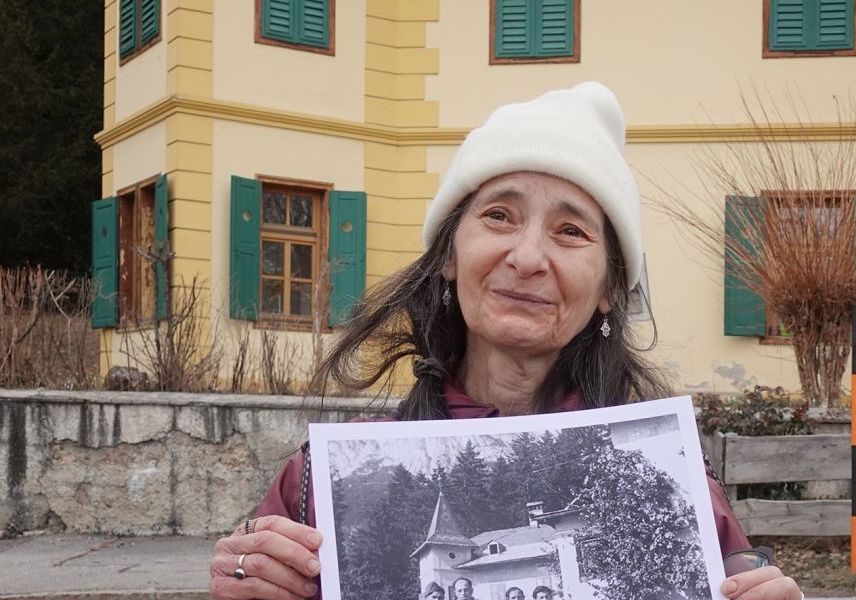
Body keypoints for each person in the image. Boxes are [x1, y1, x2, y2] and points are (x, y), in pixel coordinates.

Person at [209, 82, 804, 600]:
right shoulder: (321, 482)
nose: (527, 257)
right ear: (449, 255)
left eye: (570, 231)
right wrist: (247, 579)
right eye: (499, 215)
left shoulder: (670, 482)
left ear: (609, 289)